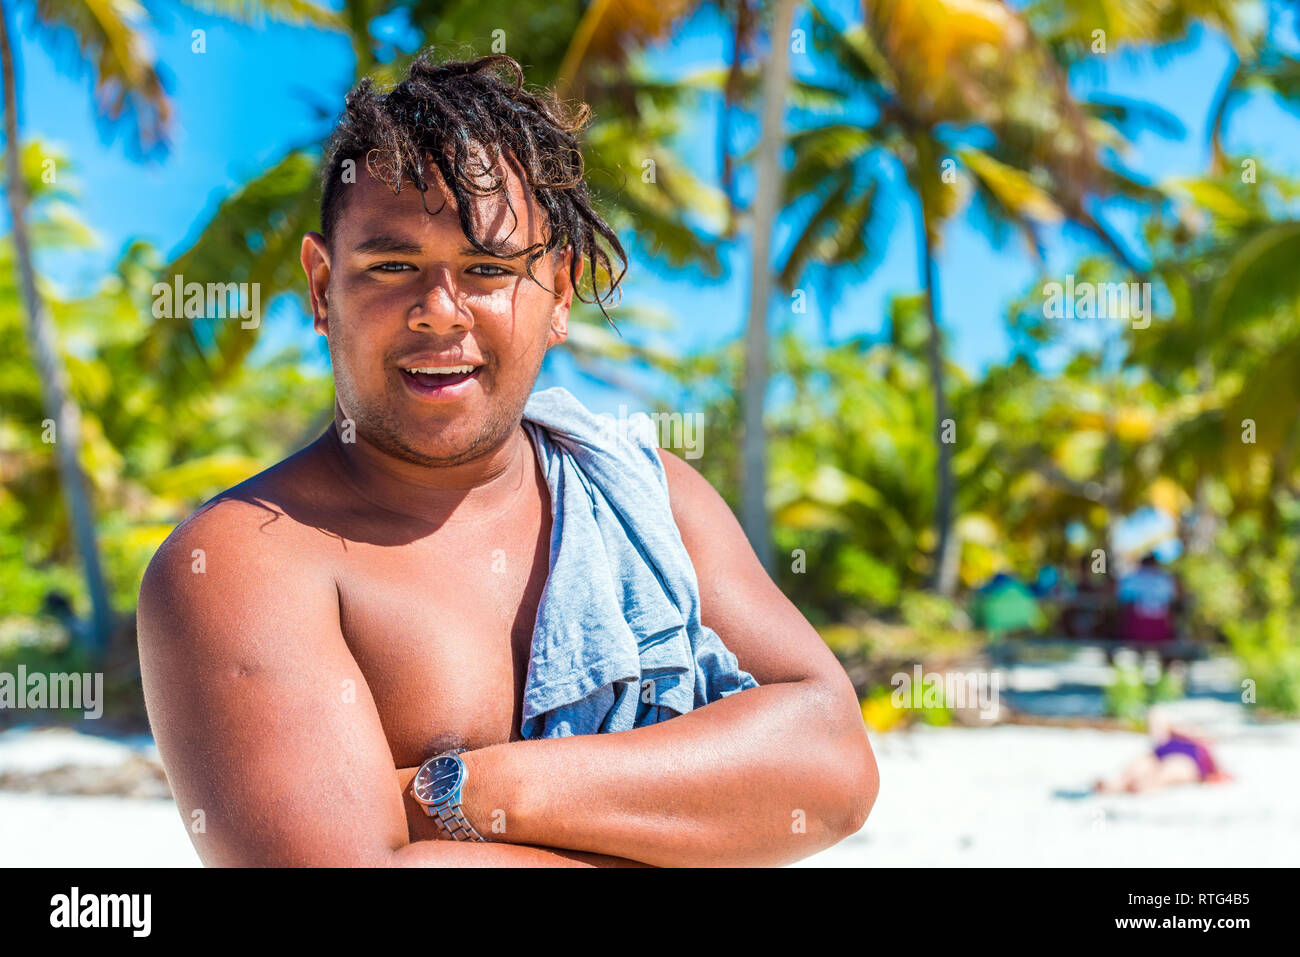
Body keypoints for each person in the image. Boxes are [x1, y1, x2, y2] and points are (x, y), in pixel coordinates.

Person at [135, 51, 877, 868]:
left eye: (488, 269)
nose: (438, 313)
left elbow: (835, 766)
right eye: (392, 266)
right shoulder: (245, 562)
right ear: (320, 288)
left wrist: (459, 795)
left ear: (559, 291)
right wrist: (701, 829)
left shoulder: (648, 494)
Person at [1094, 708, 1230, 794]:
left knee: (1169, 771)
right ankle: (1114, 786)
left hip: (1186, 761)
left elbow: (1215, 769)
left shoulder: (1202, 746)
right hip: (1159, 754)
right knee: (1137, 767)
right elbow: (1156, 714)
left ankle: (1144, 786)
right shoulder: (1169, 736)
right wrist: (1178, 729)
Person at [1117, 552, 1179, 643]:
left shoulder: (1131, 579)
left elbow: (1123, 600)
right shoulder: (1165, 579)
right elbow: (1171, 600)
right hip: (1157, 628)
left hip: (1138, 627)